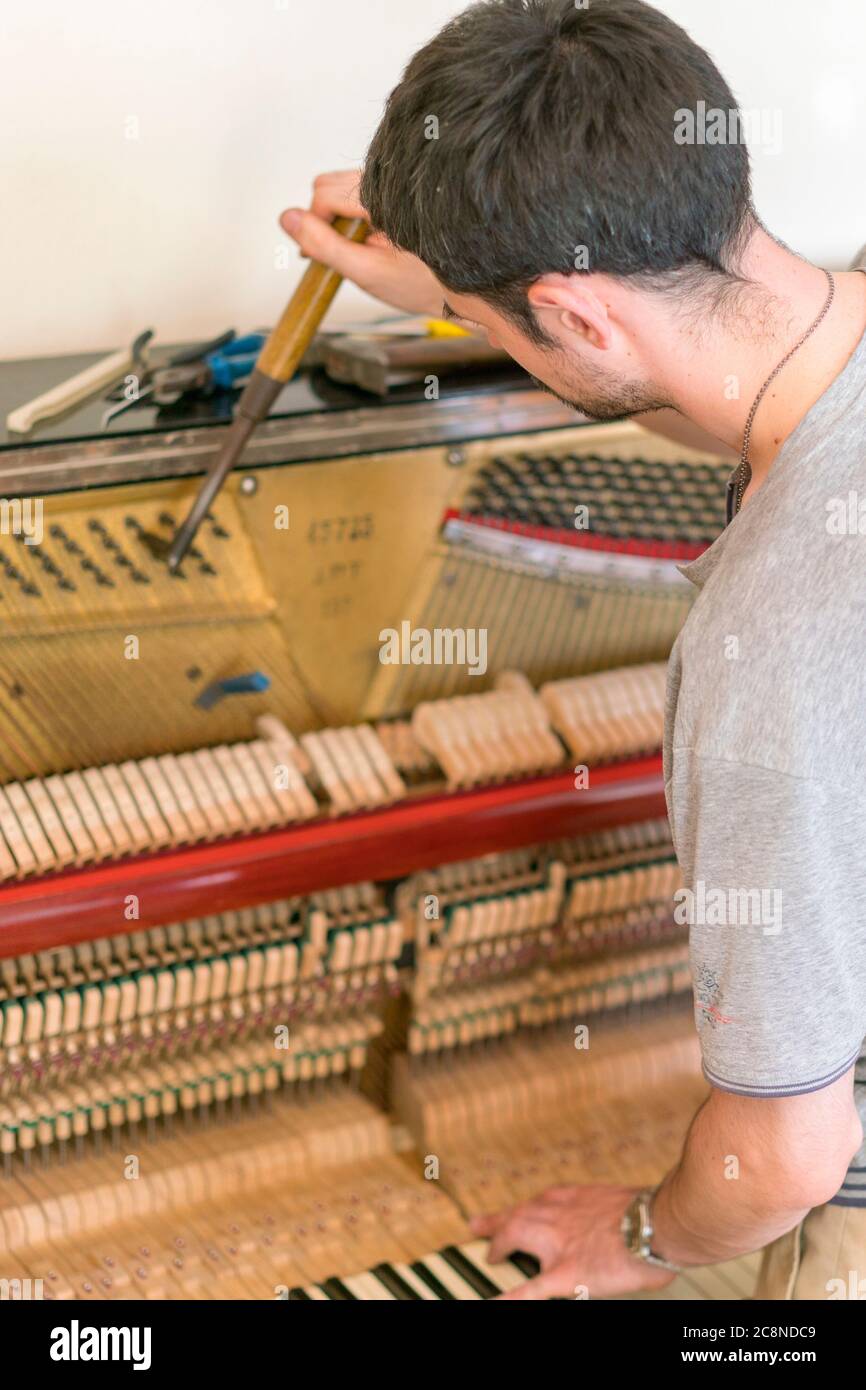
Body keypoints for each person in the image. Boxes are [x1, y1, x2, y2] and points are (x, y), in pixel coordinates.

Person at [281, 0, 866, 1300]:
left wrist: (637, 1237)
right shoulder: (821, 325)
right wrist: (458, 281)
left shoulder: (764, 651)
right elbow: (730, 389)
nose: (496, 345)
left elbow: (780, 1161)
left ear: (579, 316)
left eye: (503, 329)